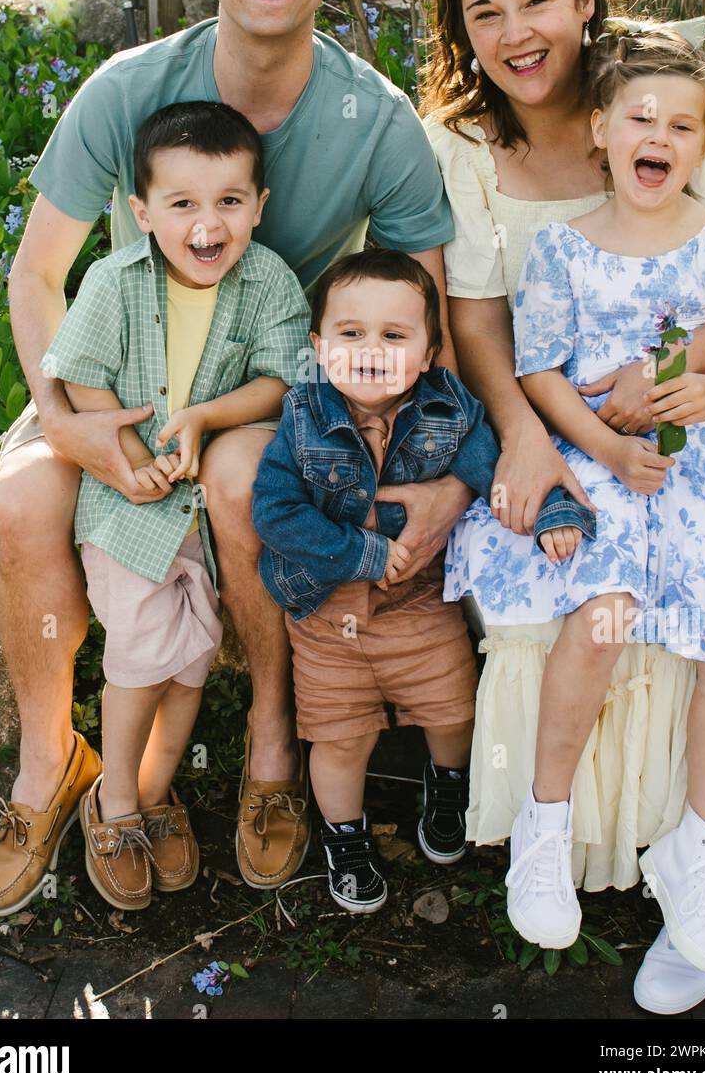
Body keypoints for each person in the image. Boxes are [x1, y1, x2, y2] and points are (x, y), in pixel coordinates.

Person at [0, 0, 469, 915]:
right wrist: (69, 420)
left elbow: (425, 316)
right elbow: (36, 275)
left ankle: (269, 748)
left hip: (265, 390)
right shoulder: (129, 88)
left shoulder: (375, 122)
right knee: (19, 502)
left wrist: (442, 466)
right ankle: (48, 766)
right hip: (122, 378)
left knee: (247, 483)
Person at [419, 0, 705, 904]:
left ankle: (687, 855)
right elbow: (478, 321)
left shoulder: (657, 106)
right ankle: (549, 836)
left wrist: (665, 371)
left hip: (674, 416)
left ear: (582, 2)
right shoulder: (456, 144)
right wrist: (525, 438)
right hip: (549, 420)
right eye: (482, 13)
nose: (514, 31)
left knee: (695, 594)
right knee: (579, 584)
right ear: (464, 37)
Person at [0, 100, 311, 914]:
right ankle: (111, 802)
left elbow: (279, 376)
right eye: (183, 204)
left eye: (230, 201)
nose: (208, 225)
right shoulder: (115, 280)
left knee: (190, 656)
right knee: (137, 659)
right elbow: (81, 371)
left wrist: (207, 418)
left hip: (193, 510)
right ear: (142, 212)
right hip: (127, 510)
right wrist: (123, 456)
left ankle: (156, 787)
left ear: (259, 207)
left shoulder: (267, 280)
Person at [250, 249, 594, 913]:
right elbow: (275, 512)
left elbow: (498, 469)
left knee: (454, 709)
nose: (370, 350)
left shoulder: (451, 410)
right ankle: (344, 836)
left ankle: (447, 782)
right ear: (319, 347)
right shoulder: (301, 417)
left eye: (394, 335)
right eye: (350, 334)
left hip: (418, 606)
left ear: (431, 350)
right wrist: (363, 554)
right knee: (338, 734)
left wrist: (553, 508)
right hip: (324, 614)